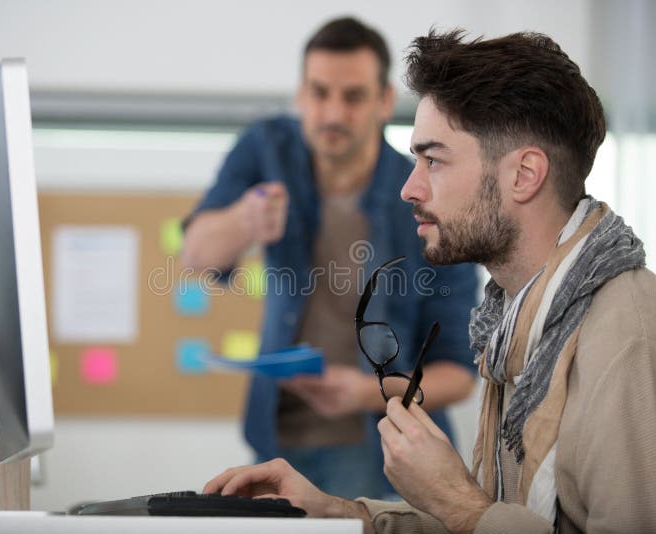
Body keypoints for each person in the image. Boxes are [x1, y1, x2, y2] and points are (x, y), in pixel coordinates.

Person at [202, 28, 656, 533]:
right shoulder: (517, 329)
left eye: (434, 160)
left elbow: (479, 518)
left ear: (524, 175)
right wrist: (340, 513)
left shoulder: (634, 343)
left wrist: (456, 500)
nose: (409, 188)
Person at [181, 17, 479, 499]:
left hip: (383, 453)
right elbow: (195, 255)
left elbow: (460, 375)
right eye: (319, 93)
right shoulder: (267, 148)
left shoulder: (427, 198)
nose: (333, 113)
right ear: (300, 94)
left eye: (353, 96)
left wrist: (362, 392)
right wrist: (244, 221)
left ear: (385, 101)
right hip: (276, 437)